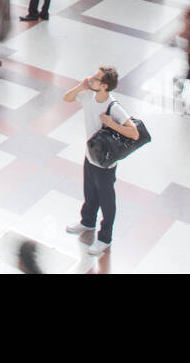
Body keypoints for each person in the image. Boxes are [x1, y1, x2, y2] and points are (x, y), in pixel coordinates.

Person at [63, 67, 139, 256]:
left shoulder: (113, 107)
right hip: (91, 155)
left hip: (105, 163)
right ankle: (87, 221)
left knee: (106, 200)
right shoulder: (88, 95)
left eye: (96, 78)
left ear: (104, 86)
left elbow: (134, 133)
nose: (91, 79)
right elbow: (67, 98)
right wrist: (80, 86)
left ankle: (105, 238)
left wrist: (111, 123)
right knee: (90, 191)